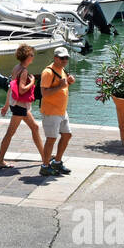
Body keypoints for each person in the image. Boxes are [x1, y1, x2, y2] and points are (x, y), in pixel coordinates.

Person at [0, 44, 48, 169]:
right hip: (20, 106)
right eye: (32, 55)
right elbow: (22, 90)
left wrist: (6, 105)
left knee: (34, 127)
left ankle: (44, 157)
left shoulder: (16, 68)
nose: (33, 57)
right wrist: (33, 83)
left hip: (17, 104)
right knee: (10, 132)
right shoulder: (23, 71)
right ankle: (0, 160)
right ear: (28, 56)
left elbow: (11, 88)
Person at [39, 47, 75, 176]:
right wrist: (61, 86)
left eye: (66, 58)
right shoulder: (48, 72)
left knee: (67, 135)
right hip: (51, 111)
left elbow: (62, 87)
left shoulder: (62, 70)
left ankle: (57, 162)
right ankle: (45, 166)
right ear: (55, 58)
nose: (65, 60)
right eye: (62, 58)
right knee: (51, 138)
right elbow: (44, 93)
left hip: (61, 111)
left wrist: (68, 83)